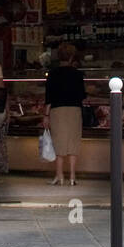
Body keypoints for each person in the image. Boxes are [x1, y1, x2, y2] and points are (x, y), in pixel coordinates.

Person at [43, 42, 85, 186]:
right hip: (74, 110)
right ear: (72, 57)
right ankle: (73, 177)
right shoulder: (78, 74)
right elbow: (82, 95)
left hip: (57, 111)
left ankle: (59, 175)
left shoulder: (53, 74)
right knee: (73, 143)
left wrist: (46, 115)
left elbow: (48, 97)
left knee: (59, 144)